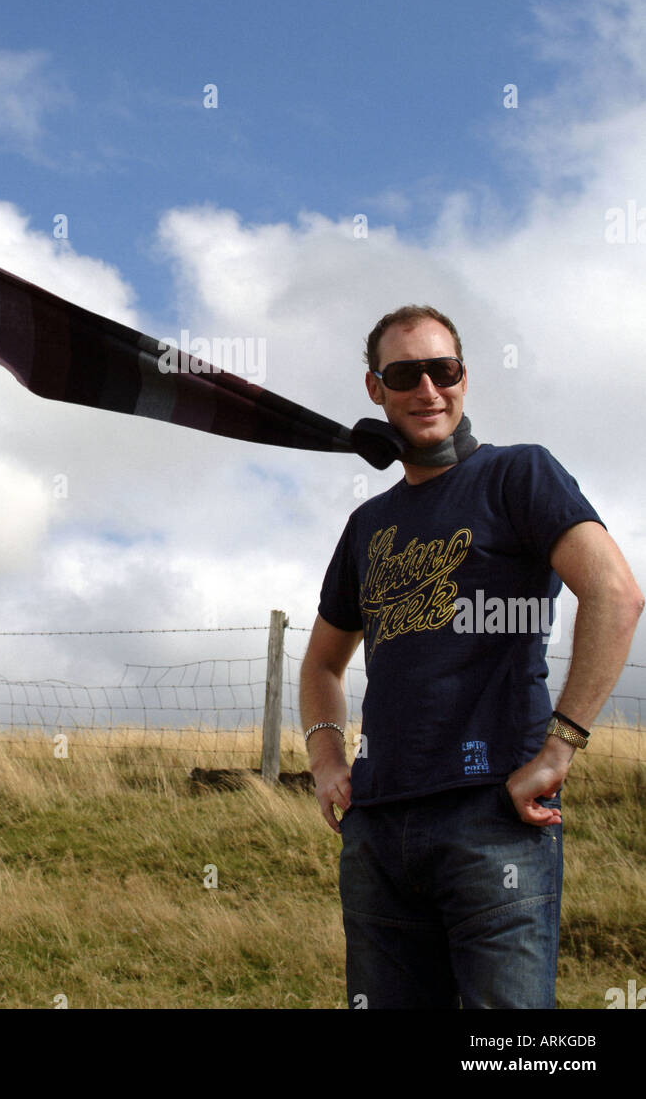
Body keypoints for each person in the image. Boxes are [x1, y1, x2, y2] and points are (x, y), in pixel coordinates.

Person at [299, 304, 643, 1009]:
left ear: (463, 377)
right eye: (404, 374)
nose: (427, 389)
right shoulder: (367, 524)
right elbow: (320, 666)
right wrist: (327, 762)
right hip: (377, 828)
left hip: (491, 820)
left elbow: (614, 593)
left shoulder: (518, 475)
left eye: (442, 369)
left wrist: (559, 749)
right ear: (375, 389)